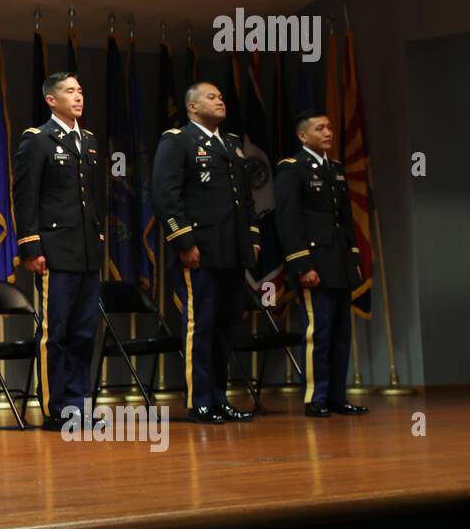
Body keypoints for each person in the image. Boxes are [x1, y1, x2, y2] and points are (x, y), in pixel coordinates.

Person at [151, 82, 259, 424]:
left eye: (221, 95)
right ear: (192, 107)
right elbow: (166, 195)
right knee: (202, 325)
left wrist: (252, 237)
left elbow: (246, 198)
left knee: (227, 328)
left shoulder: (230, 145)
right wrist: (184, 242)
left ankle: (219, 397)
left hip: (232, 251)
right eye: (212, 97)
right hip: (200, 250)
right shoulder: (178, 140)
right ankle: (200, 400)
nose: (220, 100)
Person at [13, 72, 104, 430]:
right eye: (69, 91)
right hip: (54, 250)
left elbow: (94, 199)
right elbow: (25, 195)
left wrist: (97, 240)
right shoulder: (37, 140)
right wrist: (31, 245)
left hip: (85, 251)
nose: (78, 97)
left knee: (84, 331)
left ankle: (80, 405)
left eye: (80, 90)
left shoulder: (90, 140)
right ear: (51, 100)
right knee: (57, 331)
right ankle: (57, 408)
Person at [274, 111, 369, 417]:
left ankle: (338, 397)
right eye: (320, 128)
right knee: (320, 333)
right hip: (314, 263)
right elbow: (288, 222)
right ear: (303, 136)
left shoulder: (336, 169)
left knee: (341, 333)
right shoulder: (292, 169)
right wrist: (302, 265)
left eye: (329, 126)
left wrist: (354, 258)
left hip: (338, 262)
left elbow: (345, 220)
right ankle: (316, 397)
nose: (329, 132)